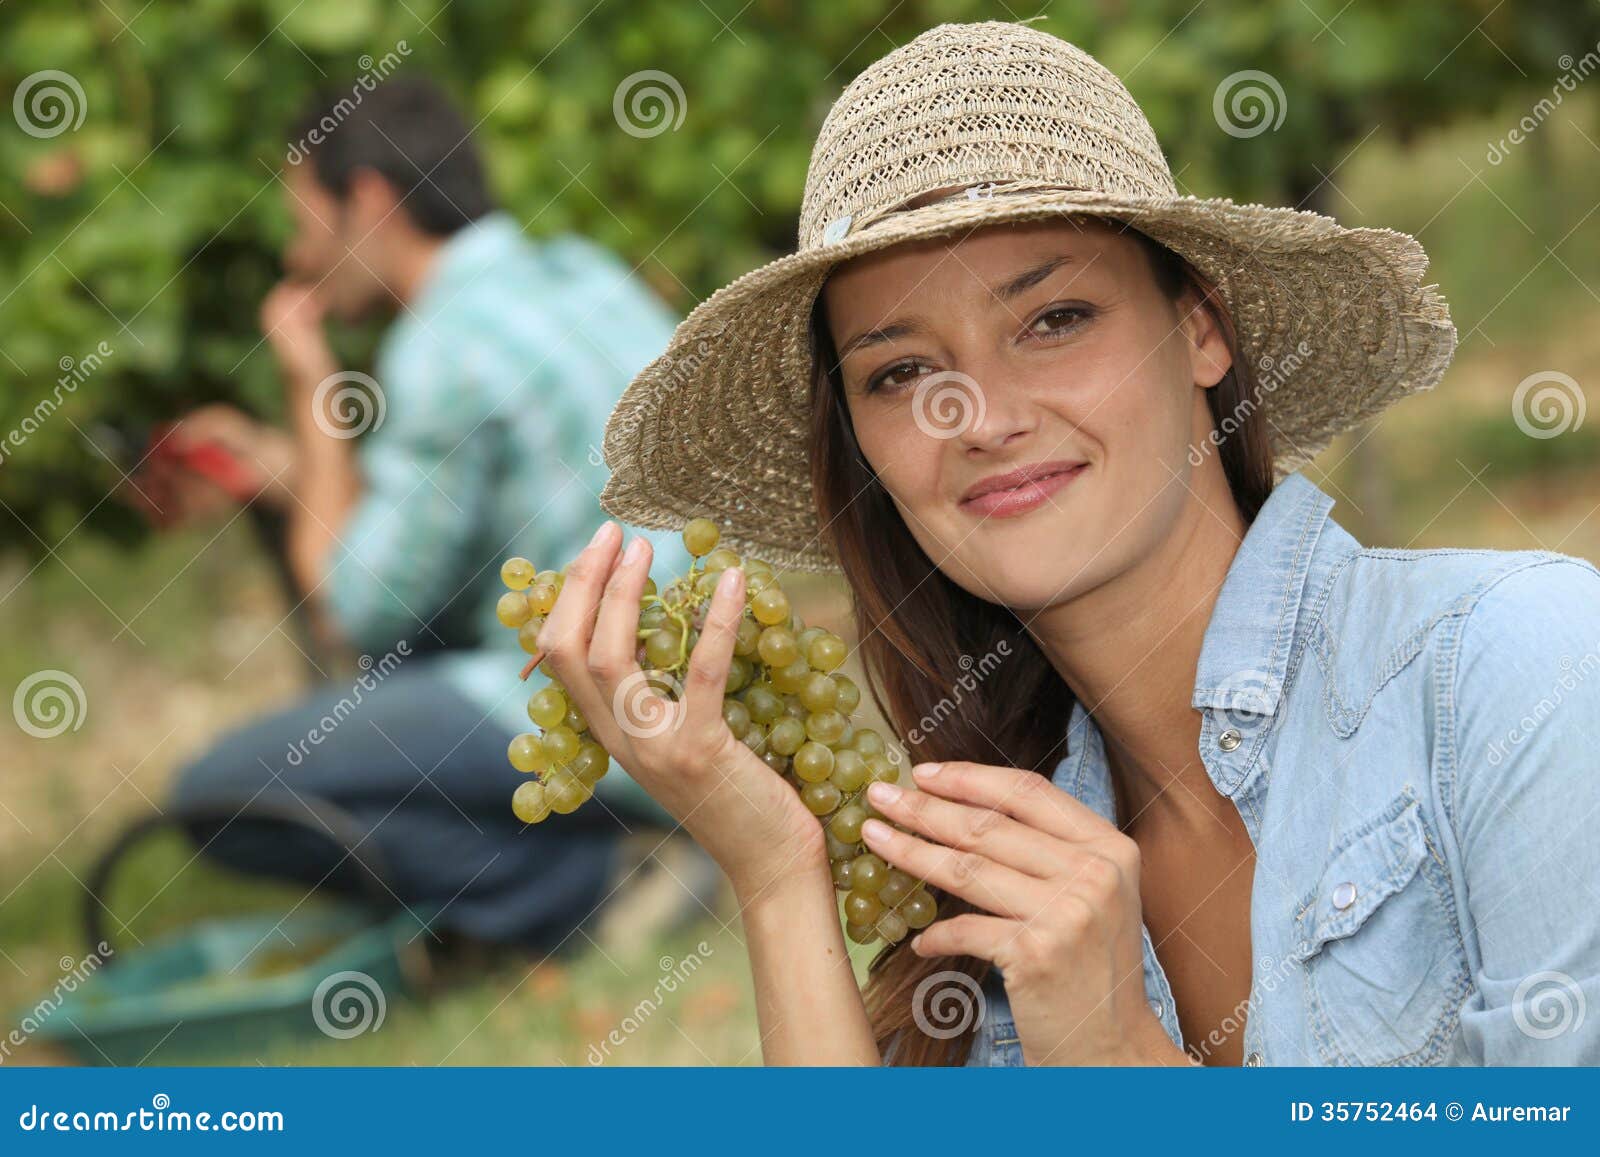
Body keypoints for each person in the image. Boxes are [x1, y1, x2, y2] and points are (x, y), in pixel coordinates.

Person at [523, 22, 1600, 1064]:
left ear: (1202, 330)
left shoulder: (1519, 671)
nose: (975, 414)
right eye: (898, 371)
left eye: (1054, 319)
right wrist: (772, 869)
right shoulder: (1004, 872)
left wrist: (1114, 1051)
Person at [159, 77, 703, 950]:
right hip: (708, 681)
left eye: (305, 224)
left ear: (367, 201)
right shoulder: (583, 275)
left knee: (224, 793)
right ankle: (634, 848)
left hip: (591, 702)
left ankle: (584, 880)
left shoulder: (444, 343)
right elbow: (509, 485)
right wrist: (293, 469)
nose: (300, 259)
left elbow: (354, 605)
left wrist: (312, 387)